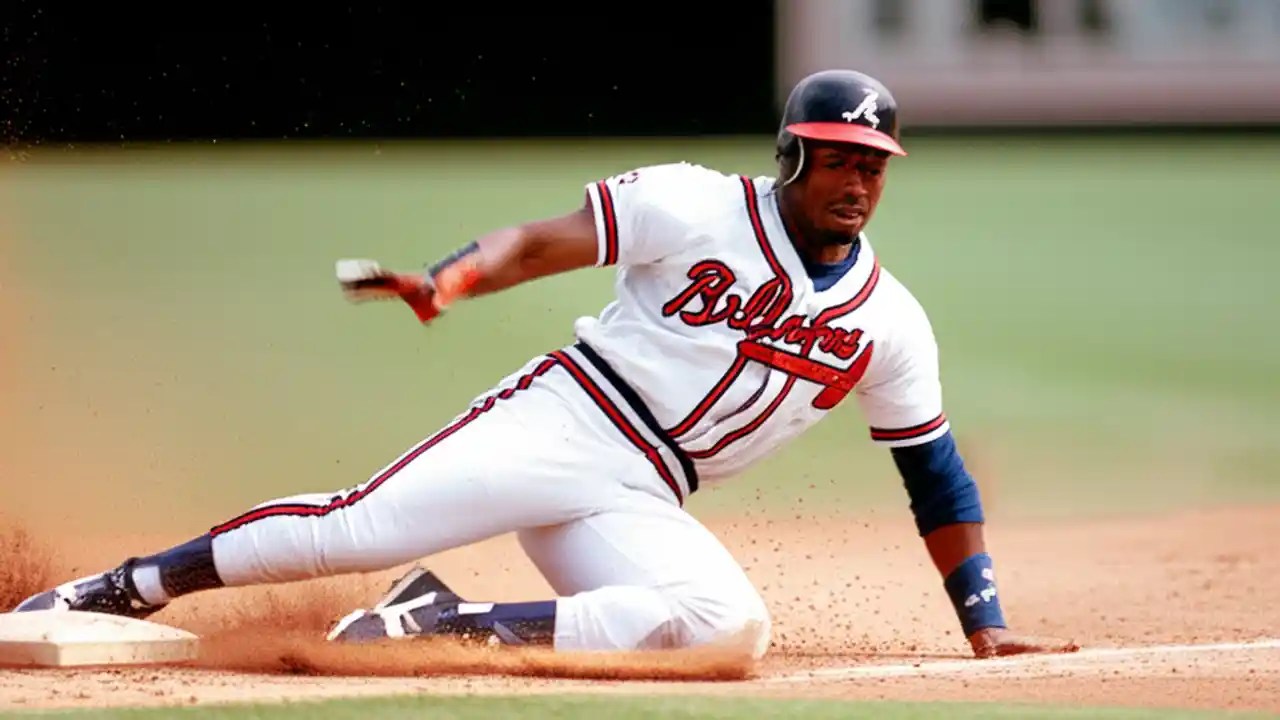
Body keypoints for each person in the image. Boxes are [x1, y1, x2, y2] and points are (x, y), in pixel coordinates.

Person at [13, 69, 1079, 661]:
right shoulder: (694, 201)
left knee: (725, 631)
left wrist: (981, 623)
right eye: (836, 157)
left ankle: (446, 621)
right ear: (791, 155)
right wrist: (449, 280)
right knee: (350, 527)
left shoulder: (888, 321)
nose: (855, 179)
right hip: (566, 422)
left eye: (872, 164)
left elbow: (932, 472)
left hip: (645, 490)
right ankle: (119, 588)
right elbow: (537, 241)